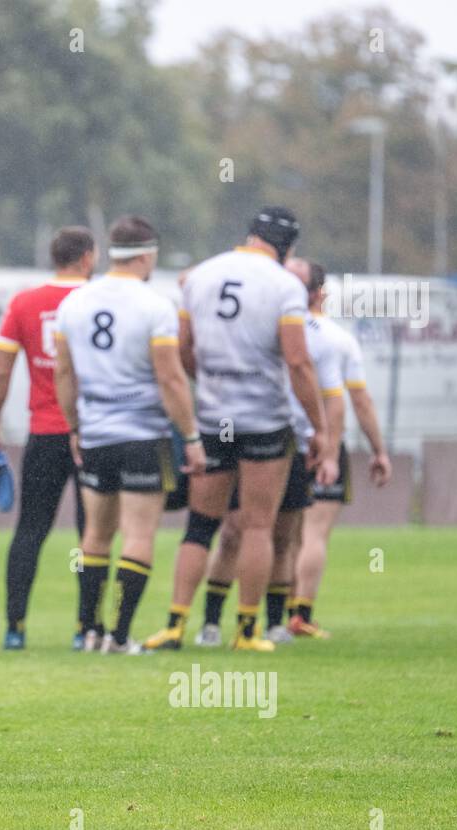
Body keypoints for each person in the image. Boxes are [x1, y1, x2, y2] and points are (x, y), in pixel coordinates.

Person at [143, 206, 328, 653]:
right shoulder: (285, 285)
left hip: (213, 419)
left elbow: (185, 350)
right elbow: (298, 362)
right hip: (264, 419)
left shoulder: (200, 276)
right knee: (258, 526)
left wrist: (208, 383)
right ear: (286, 247)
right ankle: (246, 631)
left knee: (200, 526)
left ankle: (174, 625)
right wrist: (318, 426)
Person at [53, 216, 204, 654]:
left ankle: (88, 631)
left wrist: (75, 427)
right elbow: (171, 379)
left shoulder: (75, 303)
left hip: (96, 434)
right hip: (143, 436)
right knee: (138, 535)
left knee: (95, 536)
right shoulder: (155, 306)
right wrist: (191, 437)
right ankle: (119, 635)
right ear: (146, 254)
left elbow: (64, 372)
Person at [197, 256, 343, 646]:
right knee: (232, 530)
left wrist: (325, 443)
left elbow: (337, 395)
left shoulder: (323, 335)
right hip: (246, 430)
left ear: (311, 293)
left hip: (292, 439)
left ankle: (275, 621)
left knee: (284, 534)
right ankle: (211, 623)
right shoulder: (252, 313)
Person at [0, 226, 94, 651]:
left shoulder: (24, 302)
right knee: (94, 535)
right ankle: (87, 629)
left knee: (30, 529)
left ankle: (15, 628)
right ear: (86, 258)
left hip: (45, 433)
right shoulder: (98, 300)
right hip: (92, 435)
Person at [289, 258, 392, 638]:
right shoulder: (337, 337)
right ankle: (301, 615)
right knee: (314, 533)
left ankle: (270, 615)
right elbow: (359, 401)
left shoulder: (279, 332)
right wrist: (379, 450)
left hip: (281, 441)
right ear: (323, 293)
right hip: (325, 443)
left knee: (284, 533)